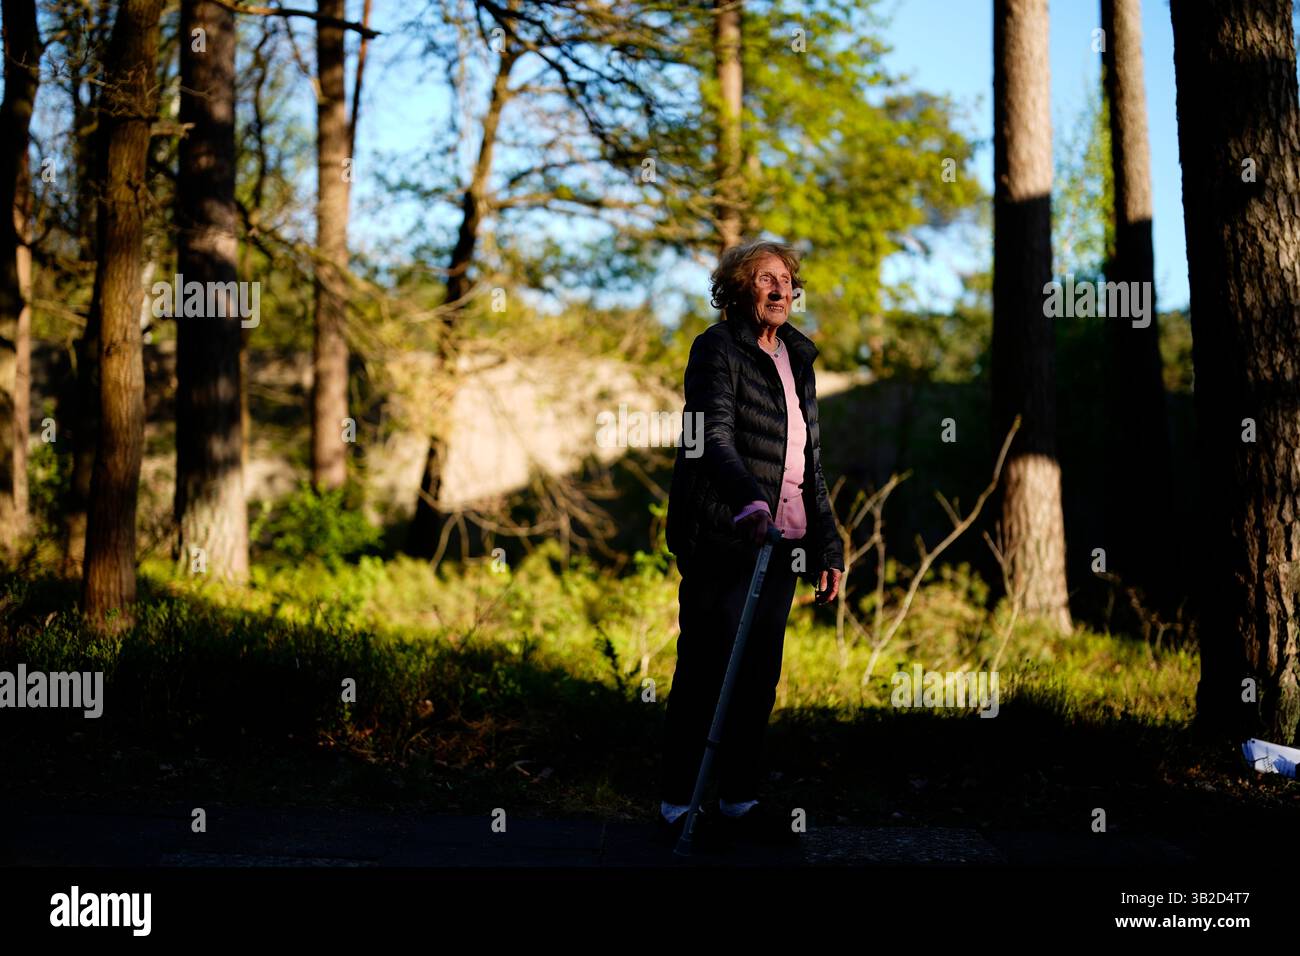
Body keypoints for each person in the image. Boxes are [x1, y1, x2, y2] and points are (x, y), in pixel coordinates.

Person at [658, 239, 844, 848]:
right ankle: (678, 805)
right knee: (708, 670)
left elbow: (809, 460)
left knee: (759, 676)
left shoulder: (798, 357)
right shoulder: (715, 349)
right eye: (764, 278)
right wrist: (749, 502)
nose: (779, 288)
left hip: (783, 540)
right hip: (724, 535)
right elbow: (709, 436)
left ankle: (738, 801)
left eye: (786, 279)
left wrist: (827, 545)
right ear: (739, 289)